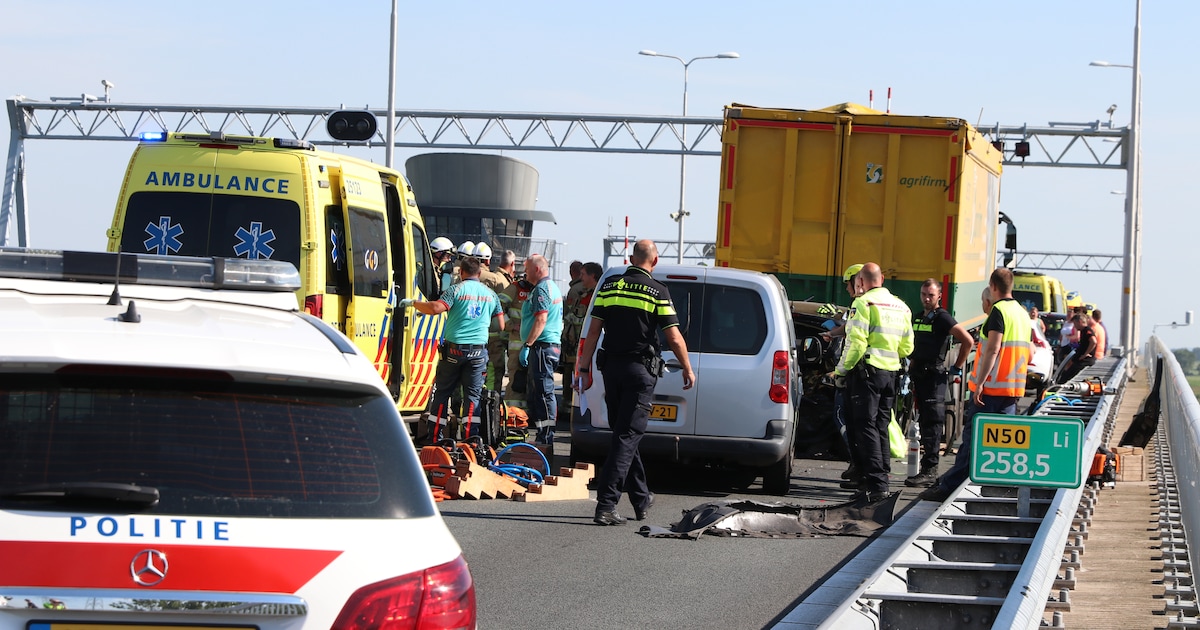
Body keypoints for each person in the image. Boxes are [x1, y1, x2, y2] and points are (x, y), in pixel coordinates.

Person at [578, 240, 695, 525]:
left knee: (624, 434)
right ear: (654, 262)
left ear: (631, 258)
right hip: (639, 373)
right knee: (627, 436)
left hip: (611, 370)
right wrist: (688, 369)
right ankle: (606, 505)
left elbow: (593, 333)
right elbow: (674, 336)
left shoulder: (609, 287)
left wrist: (583, 368)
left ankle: (641, 498)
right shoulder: (658, 291)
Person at [920, 268, 1032, 502]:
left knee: (972, 442)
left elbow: (993, 348)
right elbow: (1028, 352)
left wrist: (979, 382)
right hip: (1012, 390)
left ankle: (949, 487)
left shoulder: (998, 311)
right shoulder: (1022, 313)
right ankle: (997, 490)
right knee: (1002, 445)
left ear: (992, 286)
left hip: (991, 389)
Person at [828, 262, 913, 502]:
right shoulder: (902, 307)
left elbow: (855, 342)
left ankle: (875, 484)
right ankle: (881, 477)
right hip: (891, 375)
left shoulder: (863, 303)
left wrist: (841, 371)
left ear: (862, 282)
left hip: (867, 374)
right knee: (881, 426)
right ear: (882, 279)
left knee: (865, 427)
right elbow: (908, 347)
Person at [402, 255, 504, 443]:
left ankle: (435, 438)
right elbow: (501, 324)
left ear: (462, 272)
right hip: (478, 353)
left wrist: (414, 303)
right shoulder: (491, 295)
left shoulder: (455, 290)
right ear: (479, 273)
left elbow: (435, 308)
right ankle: (469, 440)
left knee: (443, 392)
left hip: (454, 352)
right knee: (472, 396)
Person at [904, 279, 973, 487]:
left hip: (935, 376)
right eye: (924, 294)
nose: (926, 298)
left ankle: (930, 470)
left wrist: (958, 366)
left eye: (931, 295)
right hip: (919, 375)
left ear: (939, 296)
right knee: (924, 423)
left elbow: (967, 340)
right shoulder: (918, 318)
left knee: (933, 424)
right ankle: (926, 468)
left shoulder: (942, 317)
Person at [517, 254, 563, 445]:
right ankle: (544, 433)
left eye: (527, 269)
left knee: (544, 393)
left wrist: (527, 345)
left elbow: (541, 319)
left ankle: (546, 436)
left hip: (543, 347)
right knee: (542, 392)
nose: (525, 274)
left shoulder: (542, 289)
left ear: (537, 269)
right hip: (548, 347)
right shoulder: (553, 287)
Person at [560, 261, 602, 417]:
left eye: (583, 274)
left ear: (592, 276)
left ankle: (575, 407)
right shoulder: (583, 292)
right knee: (571, 374)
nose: (580, 277)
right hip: (575, 343)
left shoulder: (595, 294)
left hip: (584, 344)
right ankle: (570, 407)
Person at [475, 243, 510, 390]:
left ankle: (464, 405)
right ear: (488, 261)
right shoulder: (497, 279)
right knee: (494, 369)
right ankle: (490, 403)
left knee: (472, 370)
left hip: (471, 333)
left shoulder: (461, 278)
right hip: (493, 334)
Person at [1057, 312, 1097, 383]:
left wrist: (1085, 354)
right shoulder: (1082, 331)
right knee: (1065, 375)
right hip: (1080, 360)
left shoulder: (1087, 330)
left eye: (1075, 324)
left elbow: (1093, 341)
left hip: (1085, 361)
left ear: (1080, 322)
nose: (1074, 327)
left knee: (1066, 378)